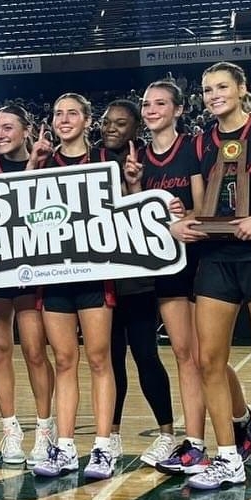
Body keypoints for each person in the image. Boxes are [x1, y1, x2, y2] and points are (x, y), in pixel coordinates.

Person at [171, 61, 251, 497]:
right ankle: (228, 457)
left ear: (242, 88)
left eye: (222, 87)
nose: (213, 95)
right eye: (207, 90)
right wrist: (184, 223)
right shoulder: (198, 143)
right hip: (217, 257)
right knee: (209, 359)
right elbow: (199, 208)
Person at [27, 93, 119, 480]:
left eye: (72, 113)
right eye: (58, 113)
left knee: (99, 359)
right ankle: (64, 447)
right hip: (53, 275)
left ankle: (102, 447)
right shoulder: (43, 163)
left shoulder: (104, 161)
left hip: (96, 273)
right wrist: (32, 165)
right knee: (64, 361)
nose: (64, 119)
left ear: (87, 120)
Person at [94, 98, 178, 466]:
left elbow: (151, 217)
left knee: (146, 355)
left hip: (136, 277)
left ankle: (167, 434)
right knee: (111, 360)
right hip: (99, 275)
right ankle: (110, 435)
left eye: (121, 123)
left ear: (135, 129)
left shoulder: (142, 160)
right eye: (107, 121)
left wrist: (134, 184)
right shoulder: (88, 161)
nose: (112, 127)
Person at [132, 80, 208, 475]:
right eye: (147, 103)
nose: (151, 109)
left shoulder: (193, 148)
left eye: (161, 103)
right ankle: (194, 441)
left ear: (178, 109)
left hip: (198, 260)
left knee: (204, 355)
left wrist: (186, 217)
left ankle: (238, 417)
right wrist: (132, 184)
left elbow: (203, 208)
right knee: (184, 353)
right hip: (163, 267)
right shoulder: (137, 159)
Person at [0, 104, 56, 465]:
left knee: (35, 350)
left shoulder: (48, 163)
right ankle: (11, 428)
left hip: (33, 268)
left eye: (7, 127)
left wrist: (34, 166)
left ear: (27, 130)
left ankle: (45, 427)